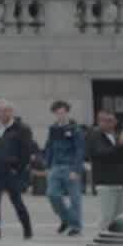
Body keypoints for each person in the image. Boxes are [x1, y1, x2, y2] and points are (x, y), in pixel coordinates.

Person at [0, 102, 38, 241]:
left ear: (11, 112)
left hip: (11, 172)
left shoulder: (21, 129)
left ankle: (27, 228)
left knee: (17, 201)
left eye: (6, 111)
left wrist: (18, 168)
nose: (3, 114)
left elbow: (27, 150)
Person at [41, 99, 91, 237]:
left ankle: (76, 226)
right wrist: (47, 165)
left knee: (75, 199)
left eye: (63, 112)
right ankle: (66, 219)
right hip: (56, 166)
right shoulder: (53, 129)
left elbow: (80, 150)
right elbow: (49, 147)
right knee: (52, 194)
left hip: (70, 167)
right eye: (57, 113)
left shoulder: (75, 129)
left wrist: (76, 170)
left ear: (67, 112)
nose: (60, 115)